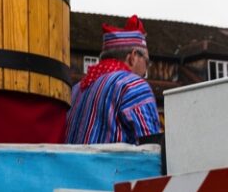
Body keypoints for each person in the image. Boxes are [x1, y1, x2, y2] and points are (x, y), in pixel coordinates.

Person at [64, 15, 163, 145]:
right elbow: (152, 148)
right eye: (147, 61)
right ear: (133, 56)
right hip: (112, 166)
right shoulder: (133, 86)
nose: (146, 69)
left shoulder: (76, 89)